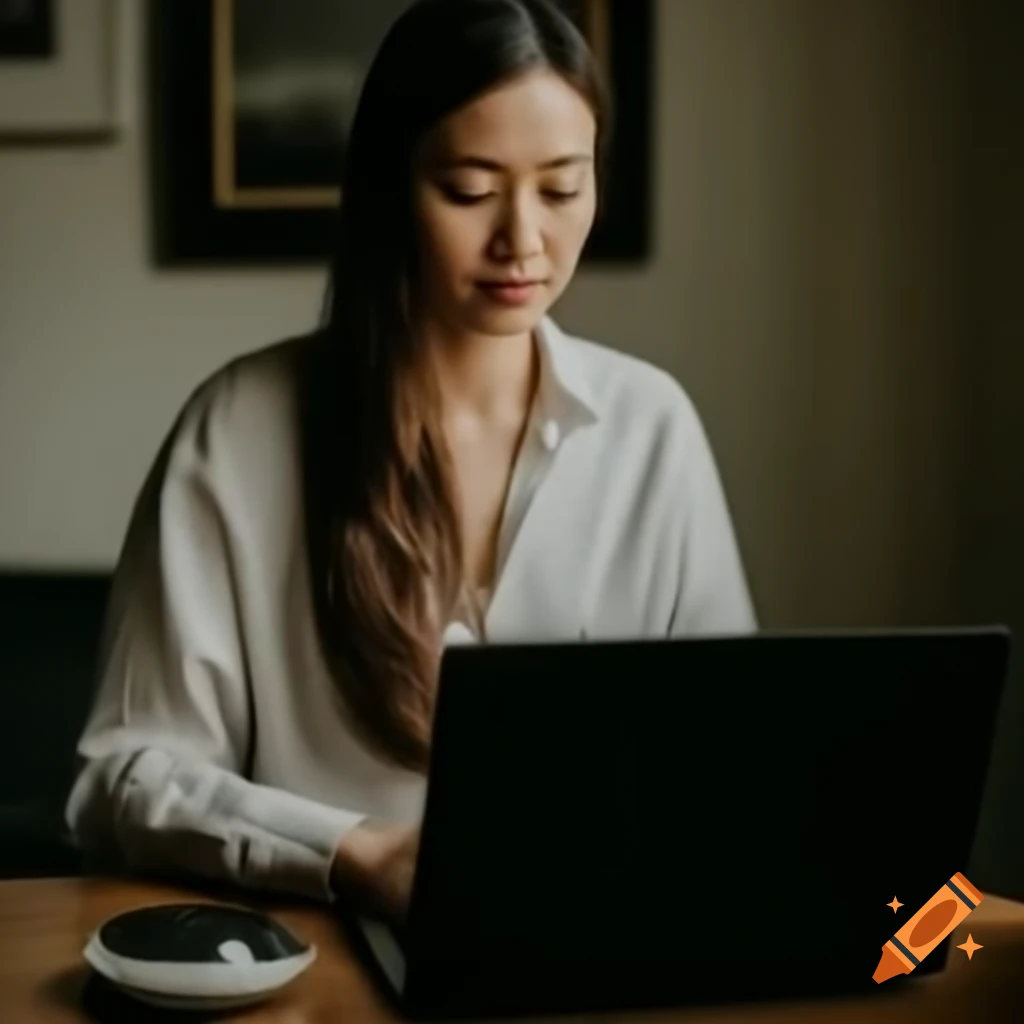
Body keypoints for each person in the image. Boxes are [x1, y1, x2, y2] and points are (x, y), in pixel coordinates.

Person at [65, 0, 756, 927]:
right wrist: (354, 852)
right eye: (470, 189)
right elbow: (126, 780)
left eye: (562, 189)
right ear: (391, 186)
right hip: (319, 965)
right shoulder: (239, 431)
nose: (523, 240)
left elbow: (731, 758)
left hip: (595, 958)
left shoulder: (650, 426)